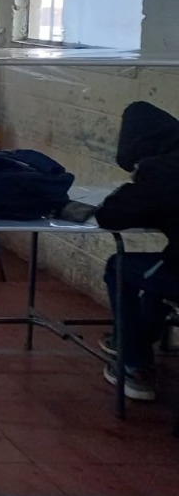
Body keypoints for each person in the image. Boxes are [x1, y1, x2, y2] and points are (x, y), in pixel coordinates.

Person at [94, 101, 179, 401]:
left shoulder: (161, 170)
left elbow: (111, 216)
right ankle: (137, 338)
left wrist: (136, 184)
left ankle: (134, 365)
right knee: (157, 272)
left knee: (120, 266)